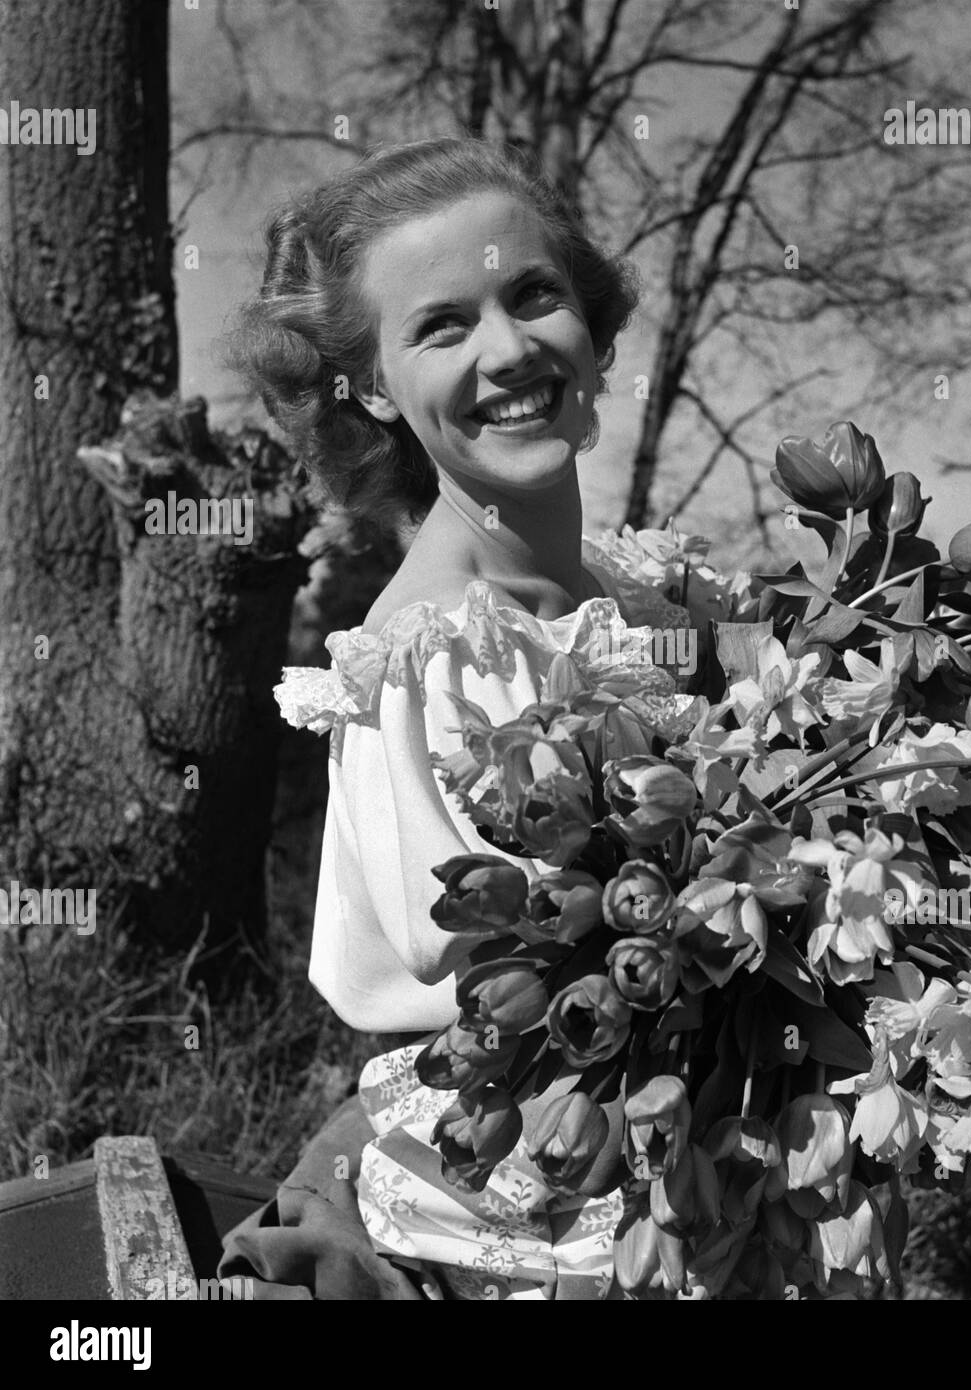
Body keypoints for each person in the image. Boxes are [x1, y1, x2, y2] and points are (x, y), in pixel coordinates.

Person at [216, 138, 696, 1300]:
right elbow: (499, 975)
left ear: (586, 314)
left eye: (531, 294)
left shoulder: (640, 594)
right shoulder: (416, 656)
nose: (510, 349)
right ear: (372, 386)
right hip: (542, 1178)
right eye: (441, 325)